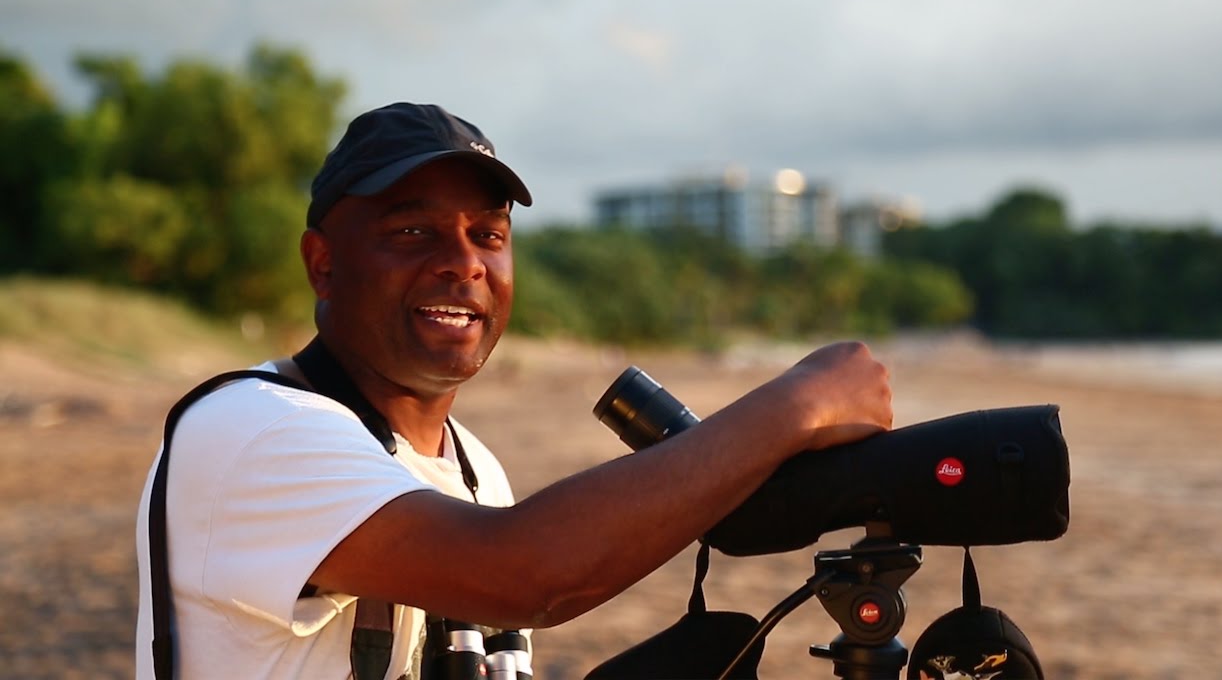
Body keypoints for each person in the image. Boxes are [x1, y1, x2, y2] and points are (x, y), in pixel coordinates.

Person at [134, 102, 894, 679]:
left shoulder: (474, 472)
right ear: (323, 264)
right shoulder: (252, 427)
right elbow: (526, 576)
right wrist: (799, 405)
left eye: (488, 236)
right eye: (411, 233)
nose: (464, 263)